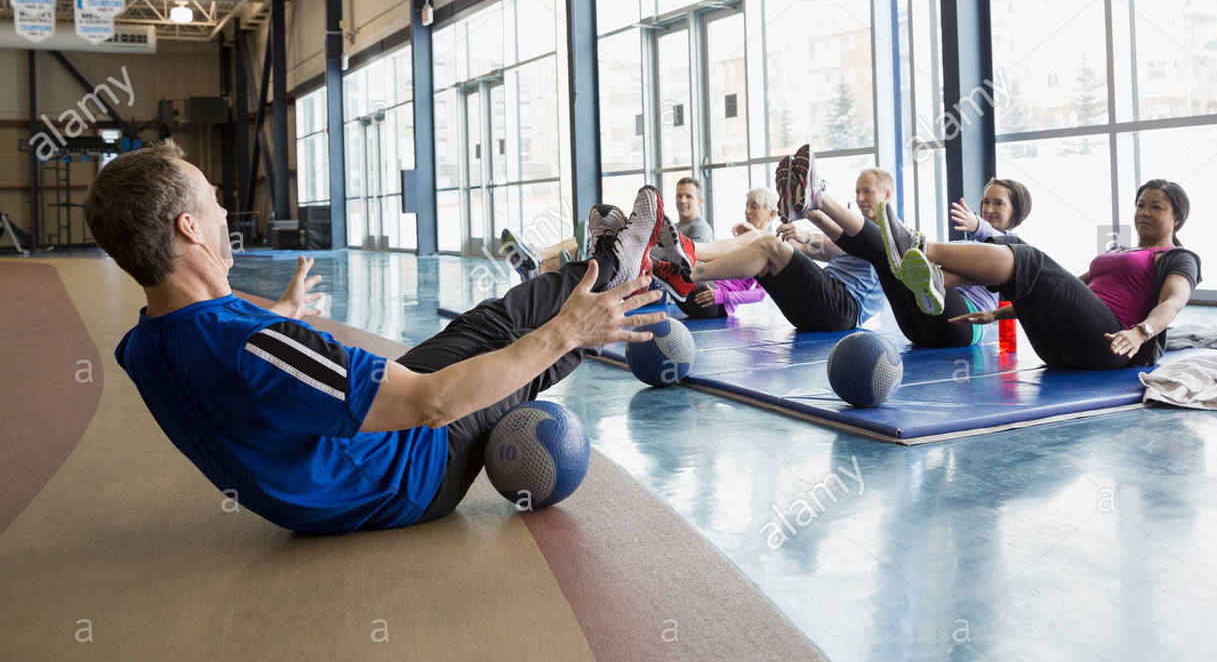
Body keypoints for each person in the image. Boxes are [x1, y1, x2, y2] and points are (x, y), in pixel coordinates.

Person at [82, 140, 668, 534]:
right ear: (188, 228)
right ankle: (611, 277)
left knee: (480, 328)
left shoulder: (143, 345)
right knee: (509, 334)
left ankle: (596, 287)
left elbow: (230, 378)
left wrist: (280, 321)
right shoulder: (253, 346)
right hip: (403, 477)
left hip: (335, 479)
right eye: (211, 201)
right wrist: (566, 330)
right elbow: (433, 404)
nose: (222, 210)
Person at [878, 179, 1200, 369]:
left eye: (1156, 207)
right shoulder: (1120, 252)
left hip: (1109, 344)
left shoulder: (1178, 257)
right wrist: (996, 315)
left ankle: (921, 247)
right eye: (1141, 204)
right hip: (1058, 349)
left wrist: (1140, 332)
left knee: (1027, 255)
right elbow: (1067, 290)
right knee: (1023, 262)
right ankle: (938, 278)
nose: (1143, 212)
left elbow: (1173, 303)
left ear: (1177, 218)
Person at [658, 151, 884, 332]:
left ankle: (689, 276)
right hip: (808, 312)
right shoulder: (850, 232)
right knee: (760, 239)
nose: (860, 198)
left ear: (887, 195)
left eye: (868, 191)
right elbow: (811, 250)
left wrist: (811, 223)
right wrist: (760, 237)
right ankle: (691, 250)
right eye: (857, 191)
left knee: (767, 244)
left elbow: (841, 243)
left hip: (843, 309)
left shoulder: (887, 234)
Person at [807, 173, 1033, 348]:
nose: (988, 209)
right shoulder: (967, 246)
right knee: (881, 254)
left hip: (962, 324)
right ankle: (812, 209)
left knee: (885, 246)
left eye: (998, 203)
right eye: (985, 202)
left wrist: (976, 224)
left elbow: (999, 243)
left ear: (1016, 210)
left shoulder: (1014, 248)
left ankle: (819, 199)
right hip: (919, 329)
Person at [666, 186, 779, 320]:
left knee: (675, 272)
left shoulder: (769, 248)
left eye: (754, 207)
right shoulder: (743, 239)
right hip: (701, 295)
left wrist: (723, 296)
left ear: (771, 214)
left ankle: (668, 258)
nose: (747, 211)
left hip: (715, 302)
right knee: (669, 271)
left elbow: (760, 294)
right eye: (747, 206)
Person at [674, 177, 714, 242]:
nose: (682, 200)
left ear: (700, 202)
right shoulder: (673, 228)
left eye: (688, 196)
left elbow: (692, 252)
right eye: (679, 196)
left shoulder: (701, 228)